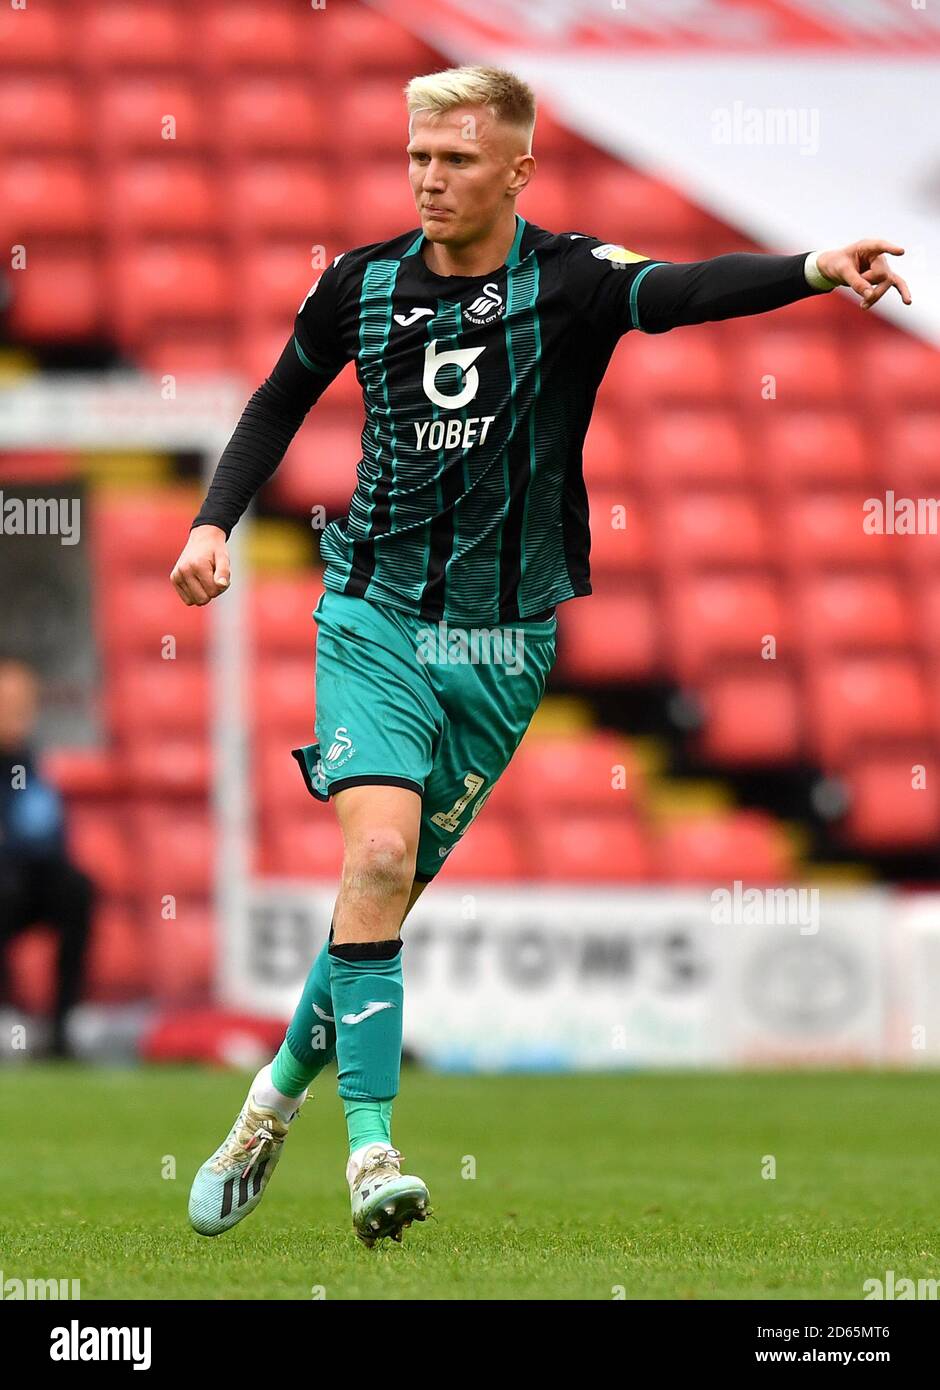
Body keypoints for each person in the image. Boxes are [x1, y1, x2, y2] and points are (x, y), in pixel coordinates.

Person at [171, 64, 912, 1247]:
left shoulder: (567, 279)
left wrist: (813, 268)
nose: (429, 178)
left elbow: (680, 289)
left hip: (505, 647)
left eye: (456, 160)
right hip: (369, 617)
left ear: (516, 168)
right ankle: (372, 1152)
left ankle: (267, 1106)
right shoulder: (358, 284)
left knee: (383, 894)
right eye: (418, 155)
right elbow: (275, 401)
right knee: (375, 857)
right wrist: (214, 519)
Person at [0, 657, 94, 1059]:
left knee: (77, 890)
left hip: (29, 878)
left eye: (23, 705)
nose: (17, 715)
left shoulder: (29, 762)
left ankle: (60, 1028)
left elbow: (47, 836)